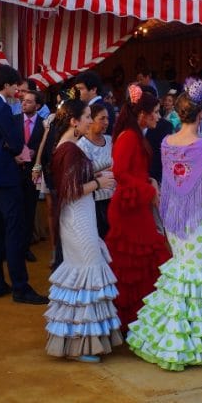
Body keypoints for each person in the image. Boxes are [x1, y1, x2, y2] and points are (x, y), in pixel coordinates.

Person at [127, 88, 202, 370]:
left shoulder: (168, 142)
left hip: (174, 216)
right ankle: (193, 344)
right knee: (196, 274)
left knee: (180, 270)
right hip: (197, 218)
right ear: (199, 115)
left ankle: (167, 338)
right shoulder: (200, 146)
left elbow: (172, 179)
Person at [44, 100, 121, 362]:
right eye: (87, 116)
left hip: (78, 217)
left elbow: (70, 182)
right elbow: (71, 190)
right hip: (78, 219)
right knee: (87, 273)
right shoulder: (70, 150)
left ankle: (78, 341)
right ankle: (81, 345)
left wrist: (97, 173)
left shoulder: (66, 148)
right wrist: (99, 182)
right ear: (74, 121)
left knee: (83, 275)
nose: (91, 121)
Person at [103, 84, 171, 330]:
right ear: (142, 114)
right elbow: (120, 172)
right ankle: (133, 319)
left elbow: (131, 172)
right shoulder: (130, 137)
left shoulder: (134, 134)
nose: (158, 117)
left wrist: (149, 181)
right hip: (129, 206)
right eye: (155, 112)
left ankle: (135, 318)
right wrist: (149, 189)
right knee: (136, 261)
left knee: (140, 261)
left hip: (135, 202)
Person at [0, 66, 47, 304]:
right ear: (6, 85)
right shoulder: (3, 109)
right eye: (15, 85)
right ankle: (20, 287)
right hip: (6, 177)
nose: (18, 89)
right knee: (15, 231)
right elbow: (17, 143)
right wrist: (12, 149)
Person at [15, 88, 45, 262]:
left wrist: (38, 155)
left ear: (38, 105)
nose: (24, 103)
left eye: (28, 101)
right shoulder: (14, 121)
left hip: (34, 173)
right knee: (14, 211)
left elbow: (48, 148)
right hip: (14, 172)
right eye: (23, 101)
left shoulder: (44, 125)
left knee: (29, 211)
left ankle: (25, 248)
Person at [76, 102, 113, 238]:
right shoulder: (81, 145)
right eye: (102, 119)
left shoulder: (110, 140)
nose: (106, 122)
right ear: (91, 120)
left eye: (107, 118)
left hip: (114, 199)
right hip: (95, 202)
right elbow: (82, 175)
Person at [74, 70, 115, 138]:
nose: (77, 93)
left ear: (93, 89)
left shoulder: (94, 109)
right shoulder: (108, 106)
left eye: (80, 89)